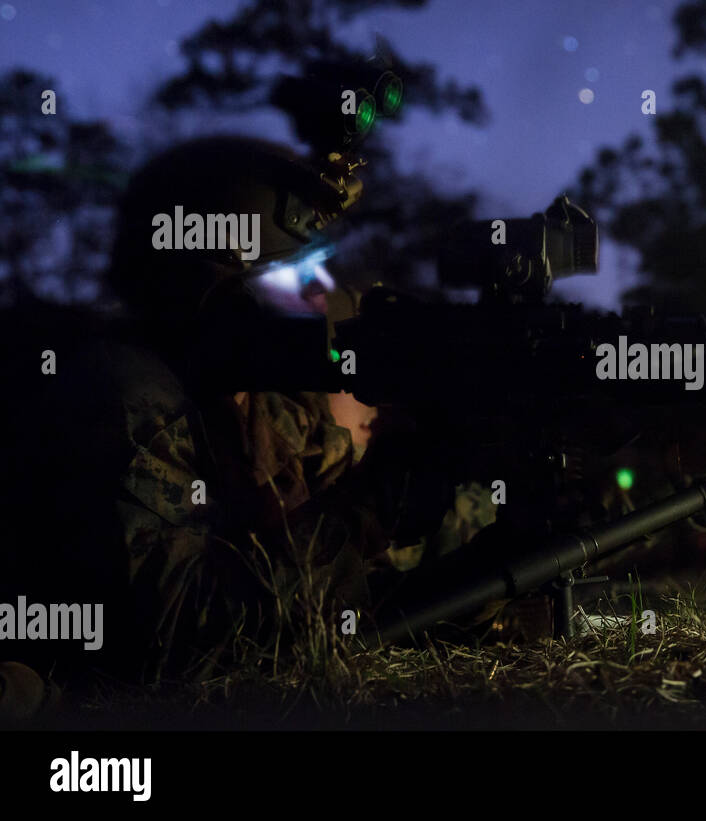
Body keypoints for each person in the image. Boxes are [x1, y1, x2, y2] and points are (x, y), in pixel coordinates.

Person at [0, 136, 472, 692]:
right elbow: (183, 636)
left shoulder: (253, 396)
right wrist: (372, 504)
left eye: (322, 268)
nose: (326, 294)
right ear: (209, 292)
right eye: (296, 275)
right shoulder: (127, 398)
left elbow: (354, 588)